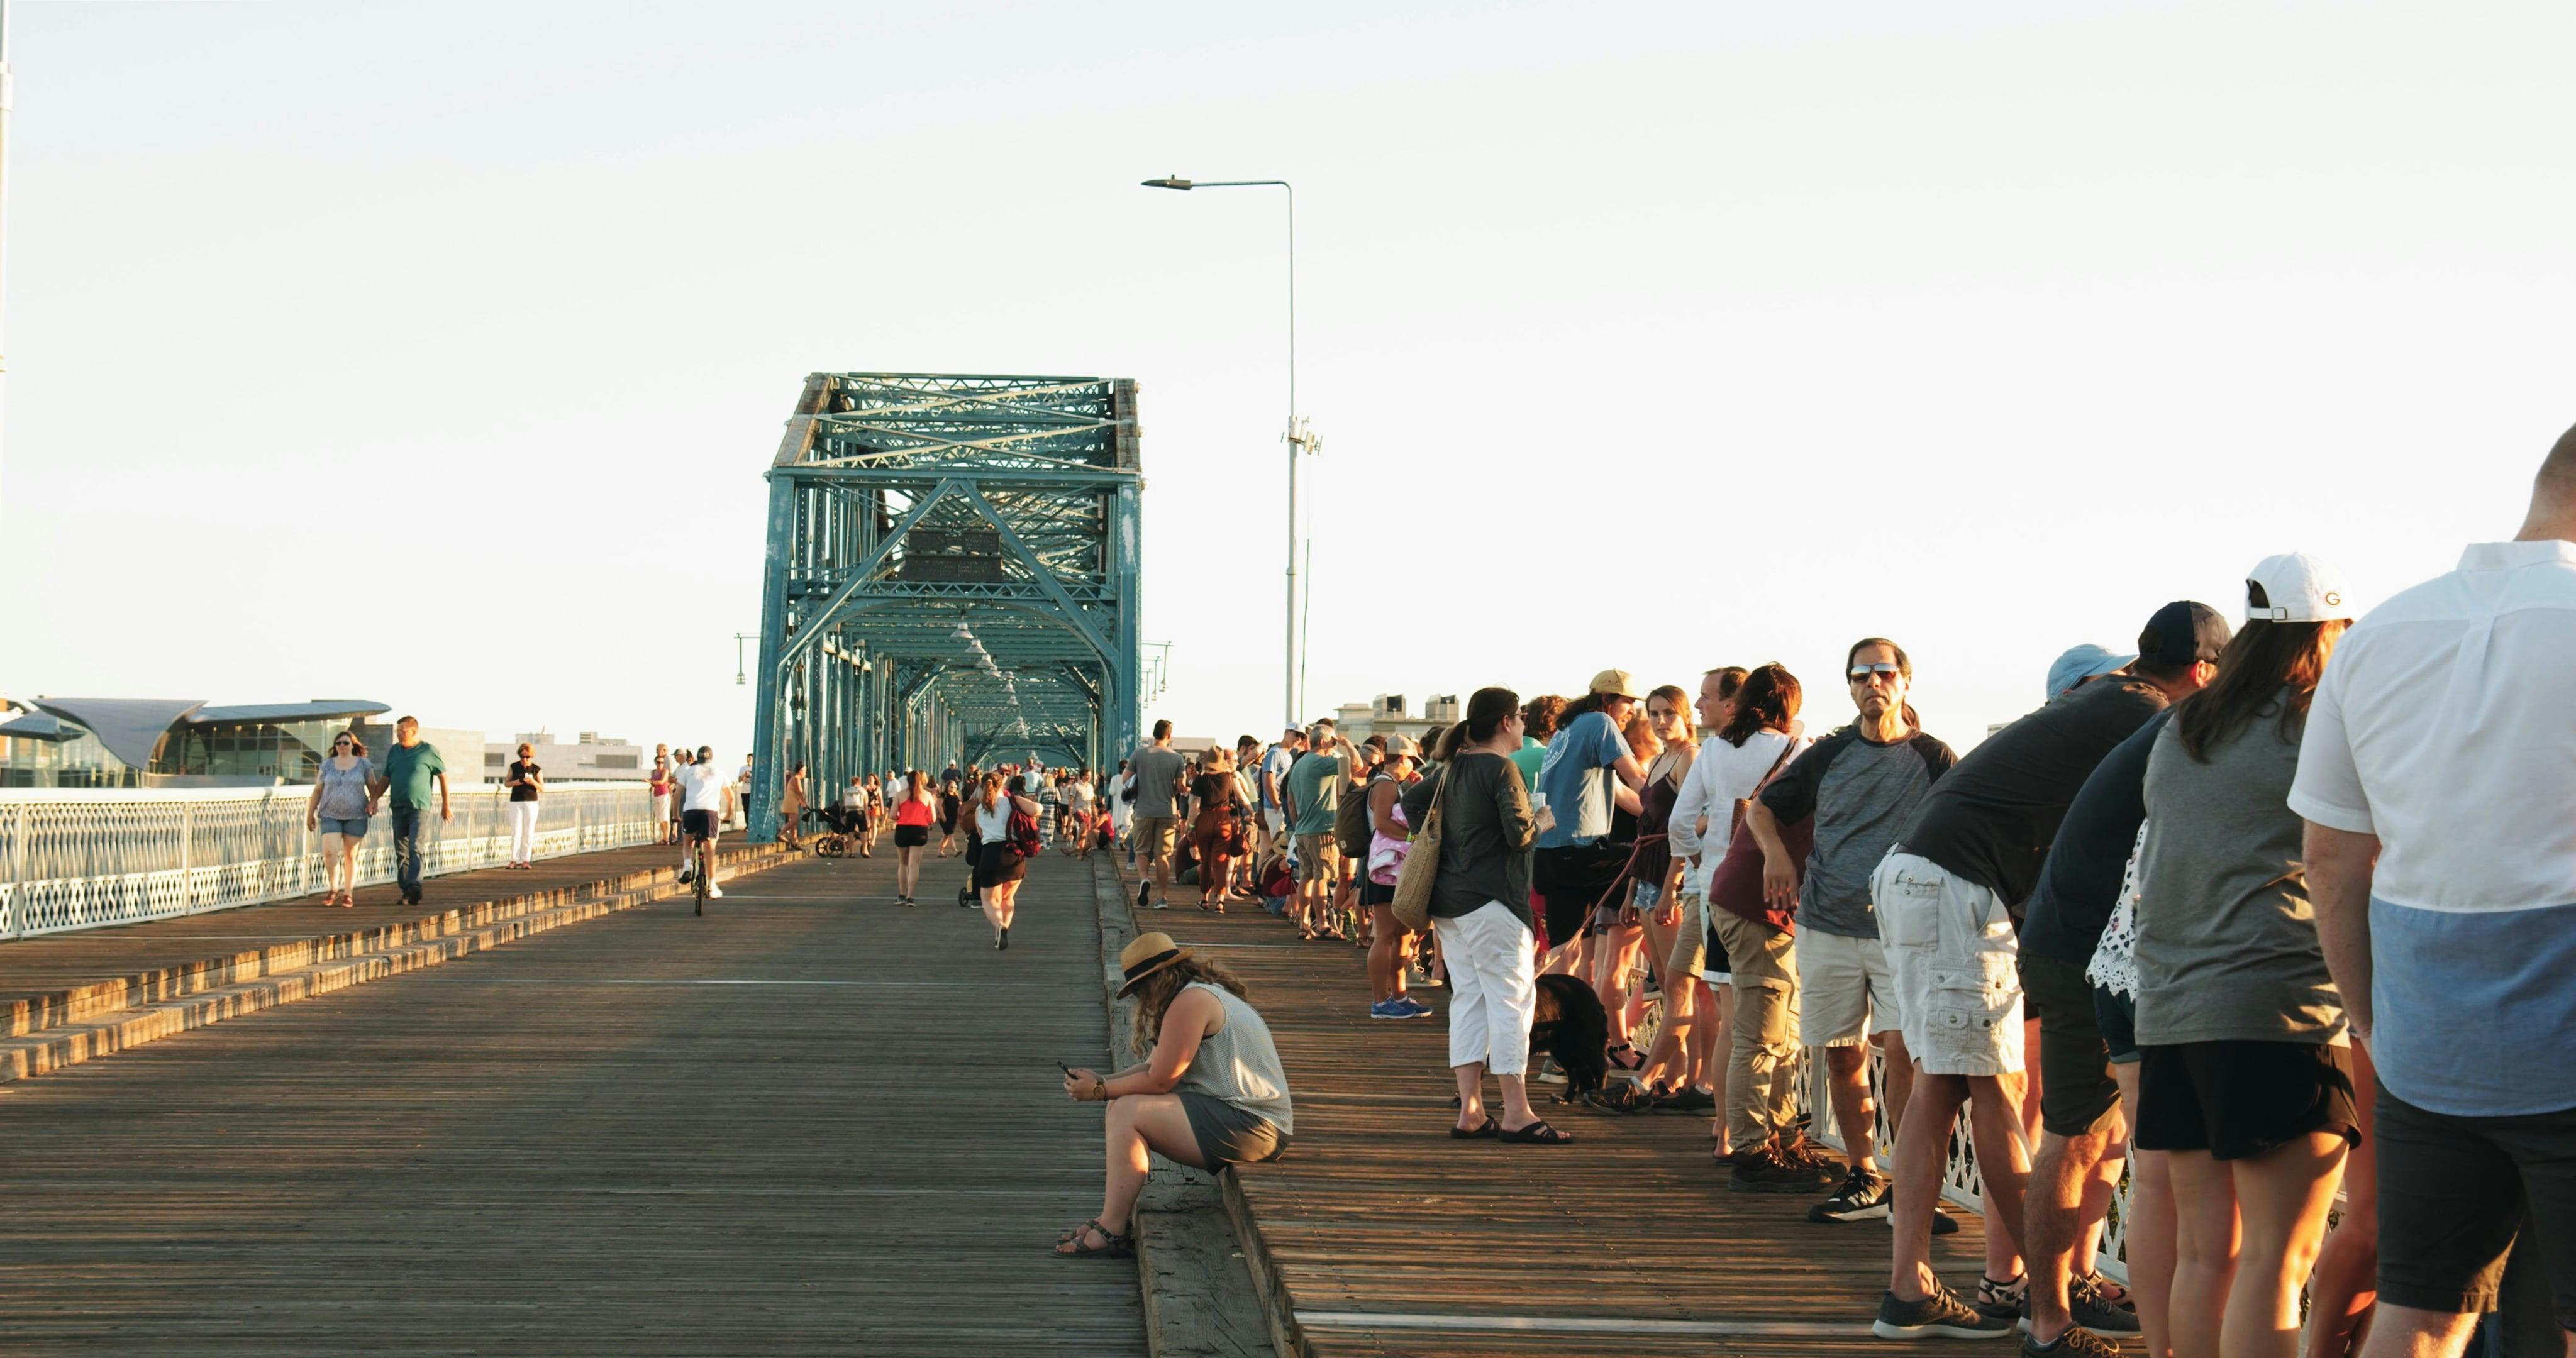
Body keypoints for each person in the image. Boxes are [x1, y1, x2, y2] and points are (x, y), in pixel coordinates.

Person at [2292, 430, 2576, 1358]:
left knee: (2420, 1314)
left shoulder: (2380, 635)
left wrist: (2378, 1026)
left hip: (2428, 1051)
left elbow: (2331, 861)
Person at [1871, 602, 2227, 1340]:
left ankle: (1912, 1287)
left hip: (1924, 877)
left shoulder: (2109, 697)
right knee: (1998, 1092)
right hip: (1953, 886)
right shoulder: (2146, 714)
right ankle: (2046, 1305)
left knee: (1940, 1090)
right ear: (2202, 672)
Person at [2131, 554, 2358, 1358]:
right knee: (2277, 1255)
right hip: (2277, 1008)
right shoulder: (2316, 726)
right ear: (2327, 631)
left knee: (2208, 1252)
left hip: (2170, 1012)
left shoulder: (2182, 727)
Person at [1747, 640, 1956, 1222]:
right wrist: (1776, 858)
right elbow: (1761, 809)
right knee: (1842, 1055)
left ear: (1905, 683)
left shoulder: (1934, 758)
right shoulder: (1828, 753)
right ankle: (1864, 1174)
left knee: (1903, 1055)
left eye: (1884, 673)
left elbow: (1967, 825)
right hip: (1827, 923)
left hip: (1904, 930)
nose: (1872, 684)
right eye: (1860, 675)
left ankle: (1909, 1187)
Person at [2021, 697, 2183, 1354]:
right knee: (2078, 1140)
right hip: (2097, 956)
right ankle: (2047, 1322)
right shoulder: (2191, 726)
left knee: (2114, 1145)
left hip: (2087, 946)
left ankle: (2065, 1293)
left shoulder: (2164, 728)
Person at [1402, 687, 1570, 1144]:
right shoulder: (1502, 768)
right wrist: (1544, 822)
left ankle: (1472, 1111)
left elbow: (1411, 804)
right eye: (1519, 717)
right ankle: (1517, 1112)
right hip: (1494, 901)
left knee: (1470, 1001)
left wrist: (1443, 836)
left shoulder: (1451, 766)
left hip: (1451, 904)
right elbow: (1520, 836)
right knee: (1512, 1002)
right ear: (1504, 723)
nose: (1522, 724)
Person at [1056, 934, 1294, 1257]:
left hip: (1255, 1127)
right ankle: (1109, 1219)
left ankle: (1112, 1228)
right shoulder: (1195, 997)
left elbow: (1159, 1082)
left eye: (1141, 989)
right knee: (1120, 1105)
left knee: (1127, 1111)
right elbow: (1151, 1068)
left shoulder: (1191, 1003)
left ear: (1159, 979)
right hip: (1239, 1118)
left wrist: (1098, 1091)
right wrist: (1102, 1081)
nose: (1142, 999)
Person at [1655, 666, 1762, 1144]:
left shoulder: (1709, 754)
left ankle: (1723, 1129)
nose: (1699, 706)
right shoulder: (1788, 751)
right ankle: (1745, 1129)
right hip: (1766, 901)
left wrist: (1705, 862)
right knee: (1752, 1020)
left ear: (1733, 703)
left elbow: (1680, 826)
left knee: (1721, 1001)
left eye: (1704, 698)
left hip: (1714, 893)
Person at [1531, 671, 1649, 976]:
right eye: (1627, 703)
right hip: (1579, 850)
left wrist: (1658, 816)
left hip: (1551, 852)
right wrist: (1680, 815)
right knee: (1647, 869)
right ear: (1607, 700)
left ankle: (1561, 1015)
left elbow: (1621, 793)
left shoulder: (1568, 729)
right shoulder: (1601, 723)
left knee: (1566, 951)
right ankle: (1659, 967)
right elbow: (1637, 778)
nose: (1632, 712)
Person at [1363, 734, 1430, 1020]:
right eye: (1412, 760)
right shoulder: (1386, 785)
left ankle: (1399, 996)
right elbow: (1382, 823)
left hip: (1392, 867)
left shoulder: (1391, 785)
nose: (1412, 766)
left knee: (1403, 934)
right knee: (1386, 934)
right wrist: (1415, 837)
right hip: (1386, 869)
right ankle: (1381, 1000)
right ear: (1402, 758)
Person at [369, 715, 450, 908]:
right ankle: (407, 890)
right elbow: (385, 778)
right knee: (401, 851)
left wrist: (446, 805)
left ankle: (415, 885)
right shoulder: (394, 751)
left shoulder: (428, 751)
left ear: (414, 732)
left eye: (402, 732)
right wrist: (374, 799)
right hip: (398, 805)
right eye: (397, 732)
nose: (399, 735)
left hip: (420, 806)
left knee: (415, 846)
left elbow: (443, 777)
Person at [1281, 721, 1350, 941]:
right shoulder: (1323, 763)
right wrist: (1345, 744)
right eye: (1331, 742)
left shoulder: (1298, 766)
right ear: (1323, 742)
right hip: (1322, 829)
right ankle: (1321, 923)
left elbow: (1290, 802)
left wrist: (1297, 824)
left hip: (1302, 830)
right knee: (1322, 878)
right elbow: (1354, 765)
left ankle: (1304, 923)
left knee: (1306, 877)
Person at [303, 730, 377, 907]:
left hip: (357, 814)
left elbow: (373, 786)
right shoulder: (327, 765)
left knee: (350, 855)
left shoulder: (364, 765)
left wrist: (374, 803)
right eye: (339, 743)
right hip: (330, 813)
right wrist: (311, 813)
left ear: (353, 745)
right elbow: (318, 790)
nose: (342, 746)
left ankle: (348, 893)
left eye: (345, 743)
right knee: (330, 851)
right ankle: (333, 888)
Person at [975, 772, 1041, 949]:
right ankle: (1004, 929)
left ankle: (999, 926)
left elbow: (981, 834)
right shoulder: (1012, 801)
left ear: (983, 787)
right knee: (1008, 897)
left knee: (989, 900)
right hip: (1014, 854)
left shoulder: (979, 809)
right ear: (1002, 785)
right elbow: (1037, 810)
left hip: (990, 855)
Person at [1130, 722, 1189, 912]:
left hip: (1143, 811)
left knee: (1140, 852)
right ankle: (1162, 897)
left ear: (1153, 734)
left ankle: (1145, 879)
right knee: (1162, 856)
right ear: (1169, 736)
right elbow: (1181, 787)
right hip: (1167, 812)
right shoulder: (1177, 758)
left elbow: (1126, 780)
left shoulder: (1139, 754)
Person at [1189, 750, 1251, 912]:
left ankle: (1204, 899)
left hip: (1205, 819)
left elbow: (1195, 806)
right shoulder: (1229, 778)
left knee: (1206, 862)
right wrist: (1252, 813)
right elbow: (1243, 798)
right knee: (1221, 862)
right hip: (1224, 820)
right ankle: (1221, 901)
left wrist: (1191, 826)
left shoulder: (1200, 780)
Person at [676, 744, 734, 912]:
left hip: (691, 811)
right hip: (710, 812)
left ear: (698, 758)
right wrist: (728, 816)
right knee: (710, 848)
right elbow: (730, 798)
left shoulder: (689, 771)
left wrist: (676, 816)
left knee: (688, 842)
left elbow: (677, 796)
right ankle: (713, 886)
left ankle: (687, 867)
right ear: (711, 758)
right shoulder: (719, 772)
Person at [889, 770, 935, 905]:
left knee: (903, 864)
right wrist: (922, 819)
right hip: (920, 830)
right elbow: (932, 817)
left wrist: (902, 818)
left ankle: (901, 895)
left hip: (903, 829)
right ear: (921, 781)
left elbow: (892, 815)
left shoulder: (900, 794)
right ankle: (910, 897)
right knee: (914, 864)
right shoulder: (927, 795)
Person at [1257, 727, 1303, 863]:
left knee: (1270, 849)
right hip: (1275, 807)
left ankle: (1263, 881)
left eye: (1302, 737)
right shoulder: (1275, 753)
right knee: (1278, 850)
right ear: (1287, 732)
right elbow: (1268, 782)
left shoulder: (1287, 755)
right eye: (1296, 734)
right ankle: (1267, 881)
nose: (1299, 739)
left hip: (1278, 806)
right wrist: (1278, 805)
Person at [777, 761, 808, 850]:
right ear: (801, 771)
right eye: (805, 771)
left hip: (792, 802)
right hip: (791, 802)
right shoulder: (796, 779)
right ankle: (781, 834)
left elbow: (797, 795)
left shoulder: (794, 779)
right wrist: (805, 804)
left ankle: (795, 842)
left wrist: (803, 804)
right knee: (795, 820)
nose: (805, 773)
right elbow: (800, 793)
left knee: (794, 824)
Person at [648, 752, 675, 846]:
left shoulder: (665, 771)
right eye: (658, 762)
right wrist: (652, 783)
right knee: (660, 818)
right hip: (656, 795)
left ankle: (667, 839)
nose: (660, 764)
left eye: (662, 762)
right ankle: (664, 837)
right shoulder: (653, 772)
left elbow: (662, 781)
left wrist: (651, 781)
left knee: (665, 817)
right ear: (655, 762)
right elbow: (654, 783)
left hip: (664, 795)